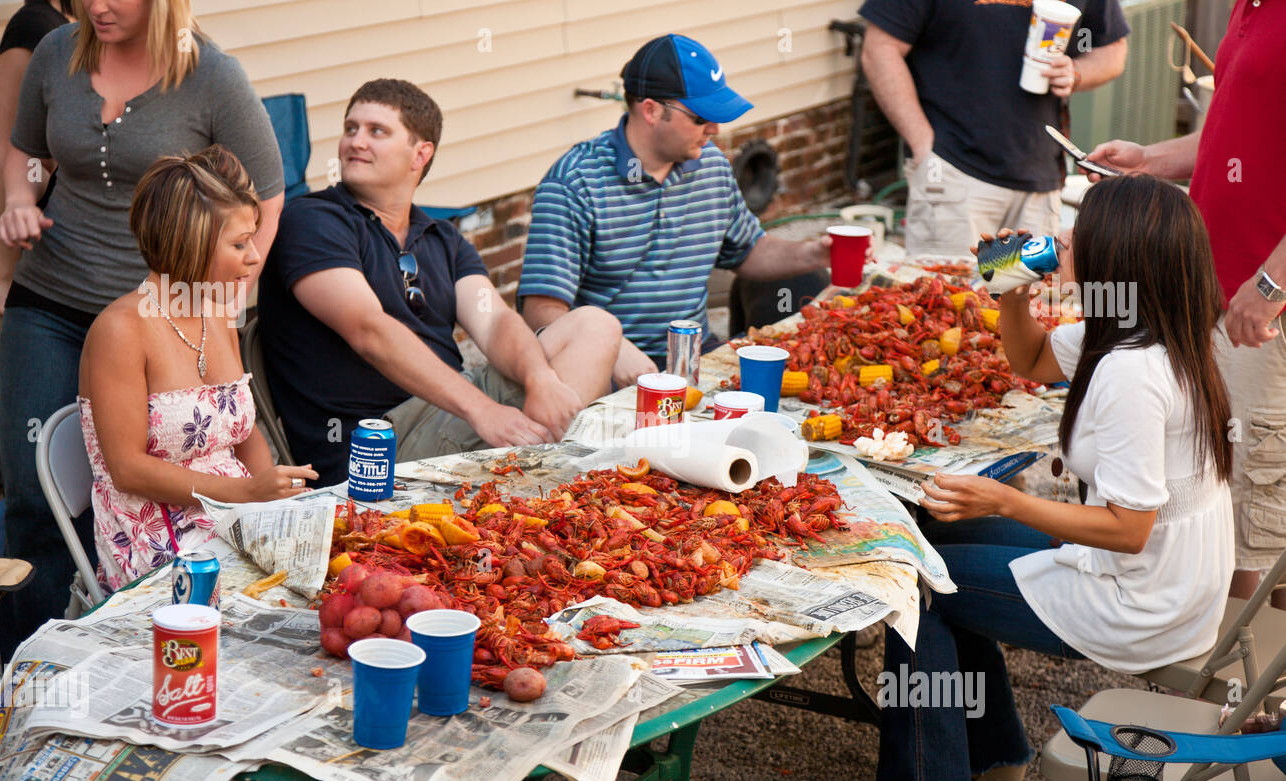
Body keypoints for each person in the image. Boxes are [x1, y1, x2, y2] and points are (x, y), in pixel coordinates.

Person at [852, 175, 1233, 781]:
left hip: (1142, 596)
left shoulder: (1132, 372)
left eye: (1075, 234)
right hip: (1162, 572)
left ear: (1116, 256)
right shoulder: (1146, 325)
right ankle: (995, 752)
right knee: (934, 537)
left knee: (916, 587)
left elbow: (1128, 527)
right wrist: (1012, 284)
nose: (1061, 239)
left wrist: (1001, 498)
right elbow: (1026, 358)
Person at [0, 0, 284, 646]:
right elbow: (24, 154)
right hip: (53, 301)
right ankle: (29, 673)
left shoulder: (211, 74)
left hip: (166, 308)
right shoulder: (55, 54)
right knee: (35, 507)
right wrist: (19, 201)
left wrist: (229, 292)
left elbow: (264, 195)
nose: (96, 6)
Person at [258, 79, 621, 487]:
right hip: (374, 446)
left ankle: (531, 493)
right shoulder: (312, 221)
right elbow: (367, 330)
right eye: (350, 128)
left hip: (442, 414)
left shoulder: (441, 238)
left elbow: (495, 321)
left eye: (377, 131)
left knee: (595, 326)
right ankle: (538, 491)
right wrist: (482, 410)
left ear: (420, 154)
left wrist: (539, 378)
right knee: (561, 411)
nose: (355, 141)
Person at [1085, 0, 1286, 607]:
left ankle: (1259, 695)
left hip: (1264, 310)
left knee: (1263, 519)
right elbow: (1232, 132)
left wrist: (1273, 285)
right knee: (1221, 505)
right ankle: (1225, 681)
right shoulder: (1248, 9)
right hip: (1214, 293)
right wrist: (1149, 161)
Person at [518, 34, 831, 382]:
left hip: (693, 355)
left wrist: (813, 254)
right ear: (651, 110)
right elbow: (540, 309)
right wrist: (612, 347)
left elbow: (747, 250)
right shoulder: (574, 183)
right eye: (701, 118)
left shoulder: (711, 164)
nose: (715, 129)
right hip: (601, 370)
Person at [78, 147, 315, 592]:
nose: (254, 257)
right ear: (193, 242)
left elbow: (244, 436)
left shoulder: (219, 315)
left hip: (235, 518)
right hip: (156, 537)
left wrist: (274, 500)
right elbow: (127, 469)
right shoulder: (121, 330)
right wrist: (245, 494)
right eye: (239, 244)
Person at [858, 0, 1129, 258]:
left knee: (1028, 301)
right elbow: (880, 48)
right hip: (952, 172)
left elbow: (1111, 48)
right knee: (953, 298)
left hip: (1040, 179)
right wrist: (923, 145)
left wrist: (1076, 72)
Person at [0, 0, 74, 489]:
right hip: (37, 271)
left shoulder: (81, 30)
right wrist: (5, 277)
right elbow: (0, 154)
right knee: (38, 459)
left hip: (81, 272)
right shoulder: (35, 26)